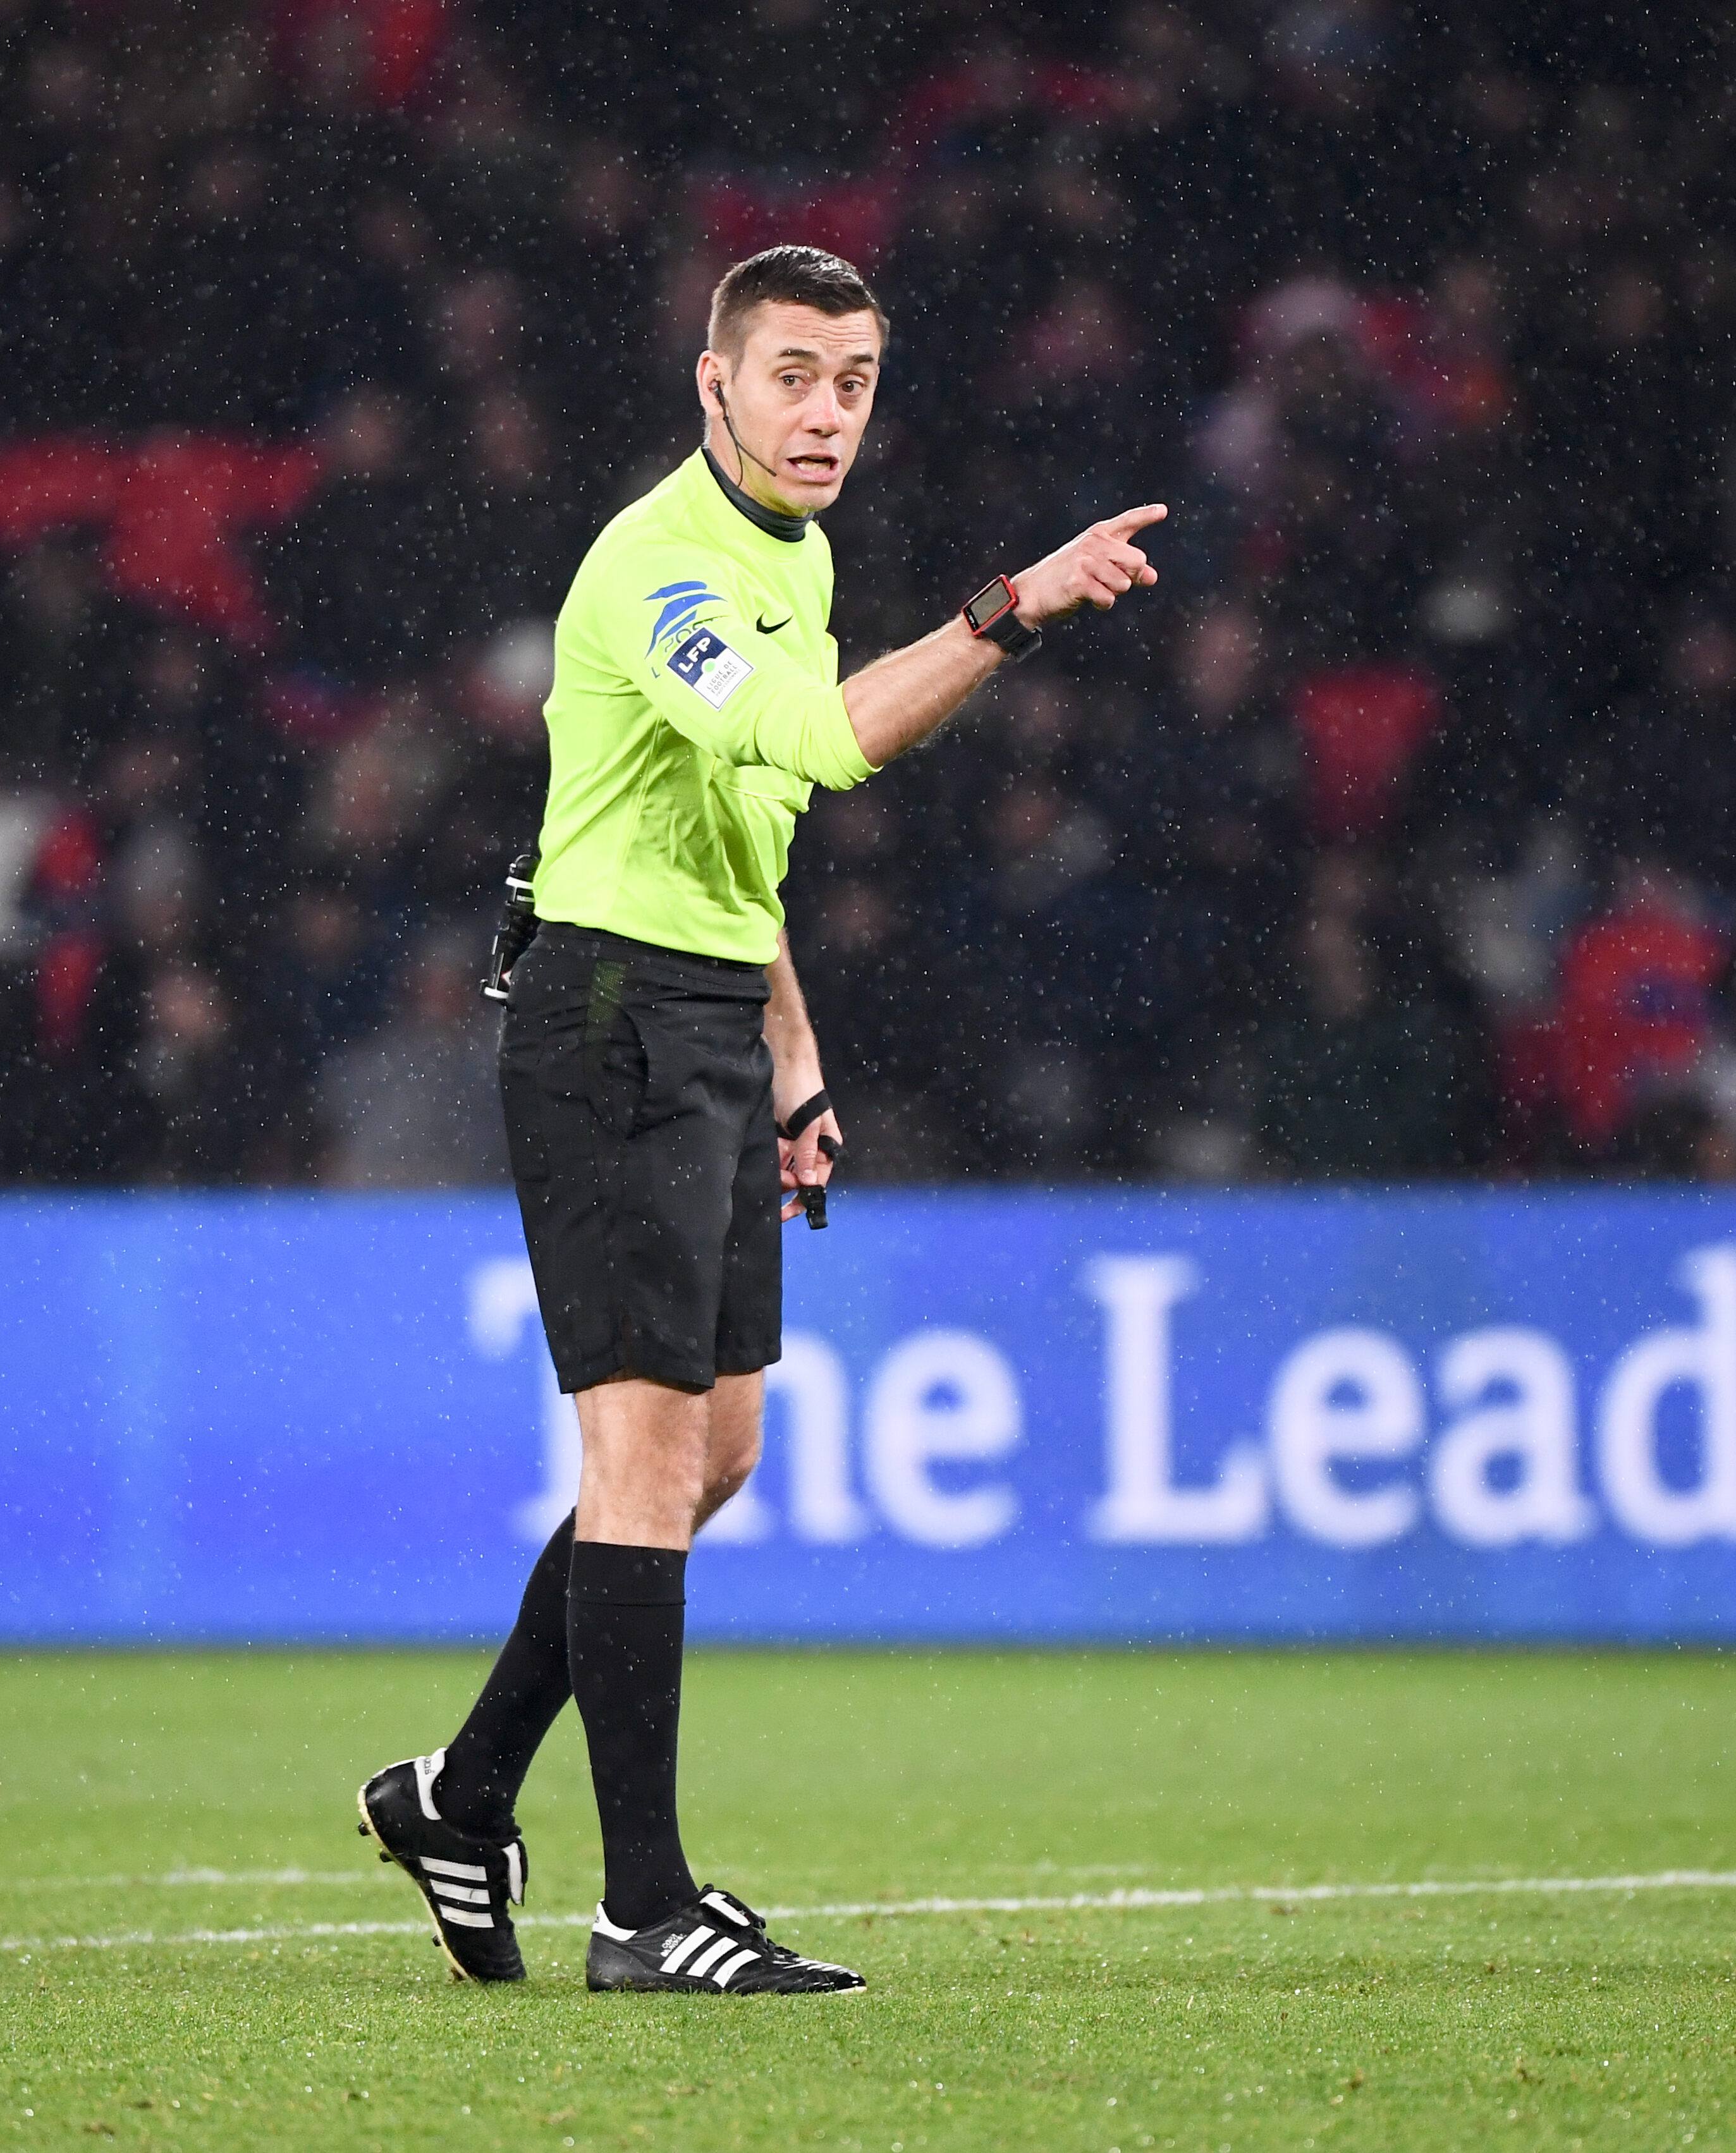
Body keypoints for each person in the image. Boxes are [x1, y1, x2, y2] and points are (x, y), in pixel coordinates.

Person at [354, 245, 1164, 1994]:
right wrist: (1004, 613)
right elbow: (824, 739)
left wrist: (792, 1059)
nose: (826, 412)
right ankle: (642, 1907)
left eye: (855, 380)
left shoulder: (793, 553)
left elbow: (753, 830)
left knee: (715, 1459)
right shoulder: (663, 569)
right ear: (712, 386)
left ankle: (462, 1792)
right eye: (792, 373)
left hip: (709, 1012)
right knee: (639, 1458)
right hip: (607, 1017)